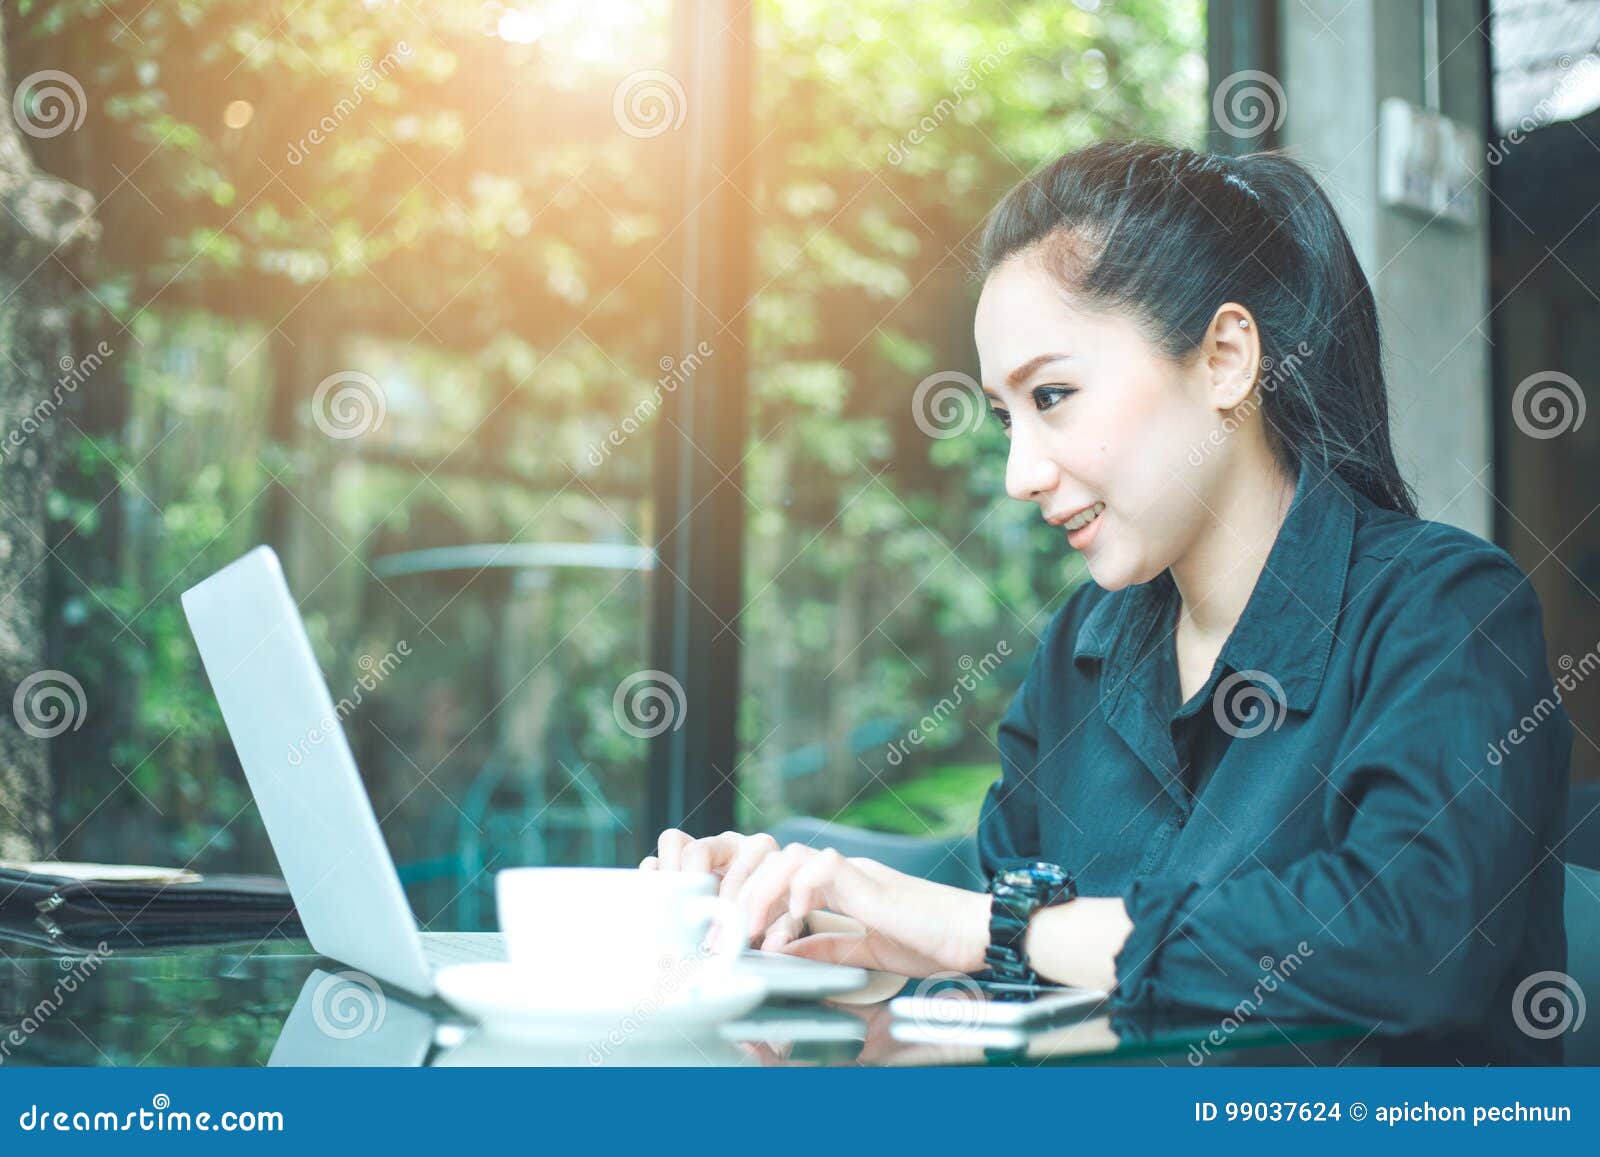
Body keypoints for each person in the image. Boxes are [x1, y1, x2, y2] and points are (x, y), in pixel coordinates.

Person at [644, 140, 1573, 1065]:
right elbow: (1012, 991)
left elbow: (1406, 947)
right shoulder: (1081, 651)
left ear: (1223, 358)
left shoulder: (1447, 612)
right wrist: (846, 958)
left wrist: (991, 927)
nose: (1020, 472)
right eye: (1008, 417)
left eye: (1054, 395)